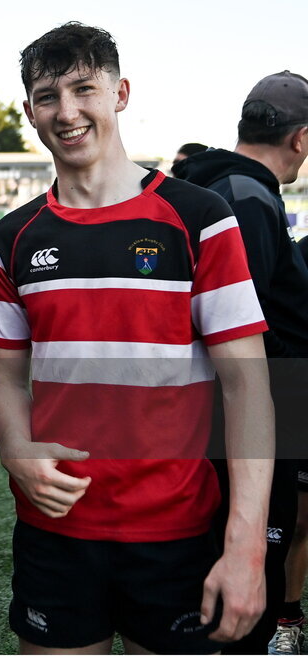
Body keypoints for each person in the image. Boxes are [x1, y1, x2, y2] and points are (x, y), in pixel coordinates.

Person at [0, 22, 274, 654]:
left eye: (84, 88)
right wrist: (14, 448)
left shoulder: (198, 218)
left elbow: (248, 386)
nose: (68, 111)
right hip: (54, 527)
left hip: (176, 533)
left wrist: (247, 545)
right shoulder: (11, 237)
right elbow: (4, 377)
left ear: (121, 93)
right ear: (30, 111)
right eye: (47, 96)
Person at [174, 69, 308, 655]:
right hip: (244, 431)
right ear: (300, 139)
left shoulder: (230, 189)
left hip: (233, 426)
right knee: (238, 607)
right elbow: (236, 335)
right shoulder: (246, 196)